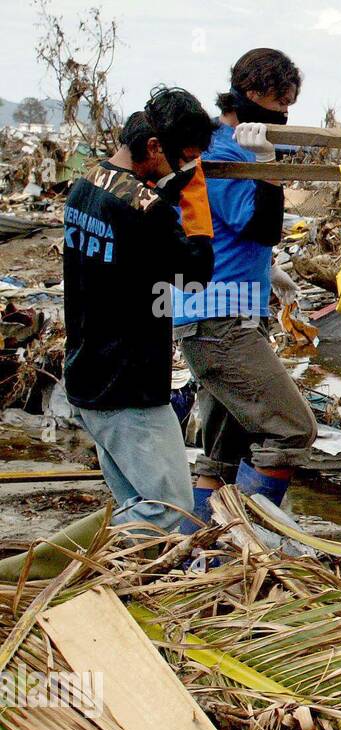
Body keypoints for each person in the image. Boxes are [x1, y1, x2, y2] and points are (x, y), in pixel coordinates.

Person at [62, 87, 216, 534]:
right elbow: (195, 274)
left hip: (88, 373)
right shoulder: (148, 211)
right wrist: (195, 203)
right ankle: (45, 568)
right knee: (167, 509)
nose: (184, 169)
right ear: (153, 147)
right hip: (128, 387)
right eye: (183, 157)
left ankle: (117, 589)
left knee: (137, 503)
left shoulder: (85, 185)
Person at [175, 48, 316, 532]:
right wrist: (266, 168)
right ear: (252, 94)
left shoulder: (222, 146)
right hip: (219, 323)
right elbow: (262, 226)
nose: (283, 116)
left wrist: (267, 273)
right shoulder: (223, 156)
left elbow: (234, 235)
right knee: (292, 430)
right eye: (280, 106)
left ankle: (199, 548)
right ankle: (248, 542)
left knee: (222, 450)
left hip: (217, 313)